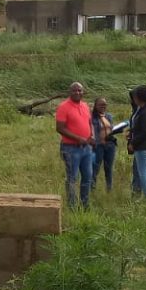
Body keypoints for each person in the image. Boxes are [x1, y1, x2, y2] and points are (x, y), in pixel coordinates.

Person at [55, 81, 96, 209]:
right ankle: (72, 206)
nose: (77, 92)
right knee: (72, 178)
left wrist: (92, 135)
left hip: (86, 148)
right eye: (74, 90)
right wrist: (79, 138)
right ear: (70, 92)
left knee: (87, 177)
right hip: (71, 148)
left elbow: (90, 123)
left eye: (80, 90)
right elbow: (60, 128)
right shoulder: (63, 107)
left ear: (83, 92)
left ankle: (85, 204)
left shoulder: (85, 106)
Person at [92, 96, 116, 193]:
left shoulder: (109, 116)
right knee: (95, 168)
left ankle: (109, 189)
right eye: (100, 105)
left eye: (105, 105)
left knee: (109, 168)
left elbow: (111, 129)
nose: (103, 106)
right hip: (98, 146)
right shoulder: (92, 117)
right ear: (95, 105)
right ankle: (92, 189)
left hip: (110, 145)